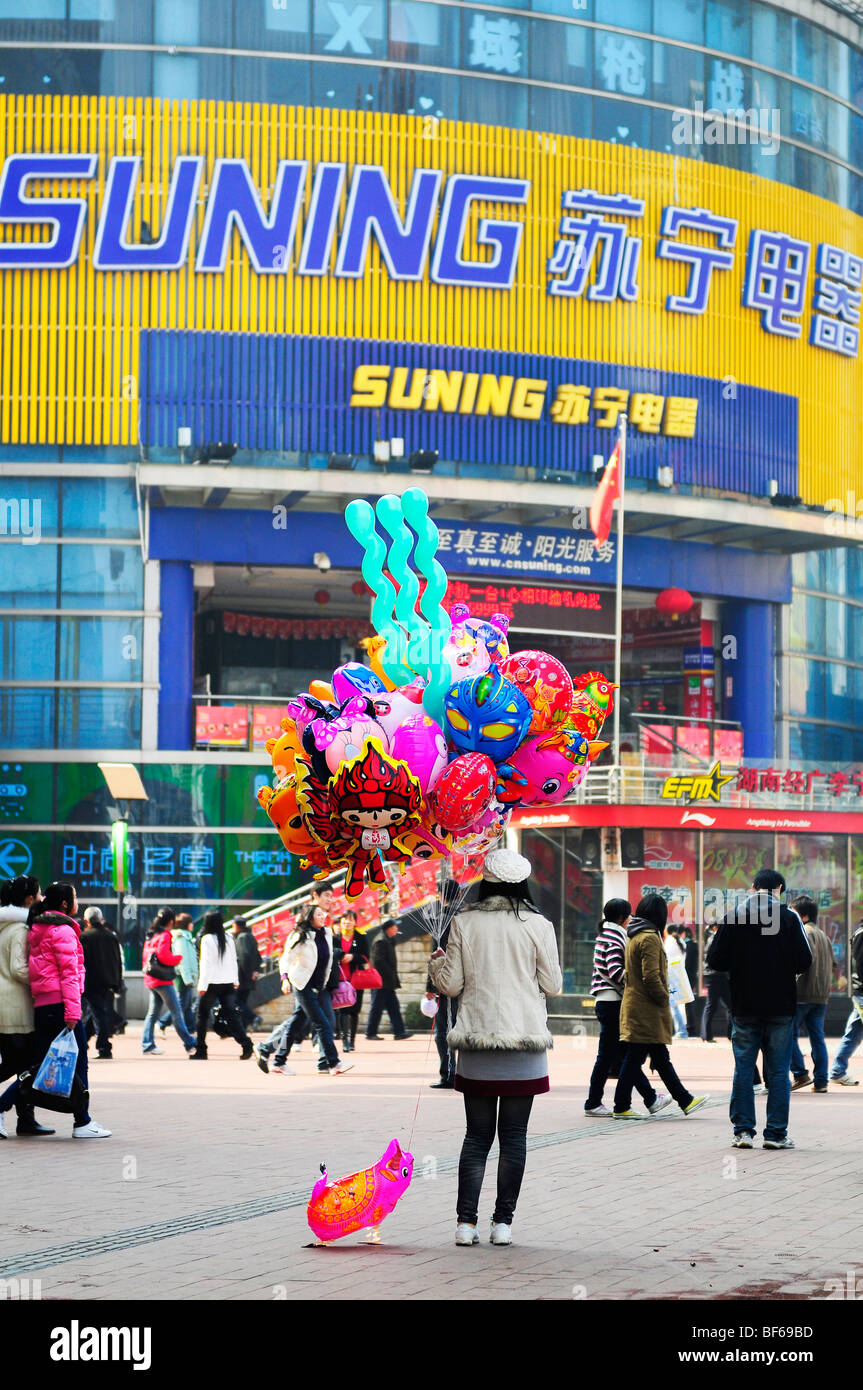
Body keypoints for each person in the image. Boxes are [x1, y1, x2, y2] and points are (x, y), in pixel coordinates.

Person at [429, 849, 562, 1247]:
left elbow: (449, 986)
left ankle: (464, 1224)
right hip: (524, 1041)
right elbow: (553, 985)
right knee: (515, 1137)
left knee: (476, 1137)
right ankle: (502, 1224)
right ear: (523, 882)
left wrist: (436, 965)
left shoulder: (464, 922)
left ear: (485, 881)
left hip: (477, 1040)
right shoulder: (539, 925)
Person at [707, 868, 812, 1150]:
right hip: (780, 1006)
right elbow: (804, 961)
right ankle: (776, 1134)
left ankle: (743, 1132)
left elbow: (715, 960)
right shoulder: (789, 918)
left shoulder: (733, 916)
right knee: (778, 1071)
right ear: (779, 888)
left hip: (743, 1005)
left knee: (743, 1068)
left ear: (753, 887)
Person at [613, 895, 709, 1121]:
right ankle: (621, 1106)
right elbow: (651, 977)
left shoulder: (635, 935)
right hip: (645, 1009)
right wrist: (664, 998)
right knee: (635, 1058)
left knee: (658, 1057)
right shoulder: (649, 938)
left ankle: (684, 1099)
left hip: (638, 1006)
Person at [27, 882, 111, 1138]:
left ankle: (82, 1120)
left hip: (44, 1004)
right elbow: (69, 975)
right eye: (75, 897)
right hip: (61, 1004)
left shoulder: (38, 928)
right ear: (65, 904)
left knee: (39, 1065)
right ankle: (82, 1122)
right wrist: (73, 1013)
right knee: (79, 1062)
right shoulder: (62, 930)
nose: (78, 902)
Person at [585, 897, 657, 1117]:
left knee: (618, 1055)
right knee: (615, 1056)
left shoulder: (609, 935)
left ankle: (650, 1098)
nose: (631, 919)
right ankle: (594, 1102)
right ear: (621, 917)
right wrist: (637, 981)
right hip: (612, 1002)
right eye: (629, 915)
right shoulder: (613, 938)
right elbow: (615, 971)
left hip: (608, 1002)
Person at [0, 875, 54, 1138]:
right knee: (25, 1063)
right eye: (40, 894)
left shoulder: (3, 925)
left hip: (5, 1005)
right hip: (16, 1006)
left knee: (19, 1063)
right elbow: (19, 969)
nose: (43, 898)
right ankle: (25, 1119)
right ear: (30, 899)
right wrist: (46, 975)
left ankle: (27, 1119)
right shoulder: (20, 929)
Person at [273, 904, 353, 1075]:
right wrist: (284, 979)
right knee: (322, 1023)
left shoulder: (327, 933)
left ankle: (278, 1061)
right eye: (318, 914)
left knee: (295, 1025)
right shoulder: (299, 936)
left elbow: (327, 957)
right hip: (302, 984)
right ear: (310, 918)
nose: (323, 916)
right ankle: (334, 1063)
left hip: (319, 985)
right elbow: (286, 960)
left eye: (323, 913)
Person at [191, 912, 254, 1060]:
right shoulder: (229, 938)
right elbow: (234, 960)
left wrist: (202, 984)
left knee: (202, 1016)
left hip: (211, 983)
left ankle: (201, 1050)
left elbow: (205, 963)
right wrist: (236, 981)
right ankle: (246, 1044)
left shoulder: (206, 939)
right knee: (231, 1016)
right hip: (227, 983)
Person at [788, 896, 833, 1093]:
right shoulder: (824, 935)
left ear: (803, 915)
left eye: (794, 911)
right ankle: (821, 1081)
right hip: (821, 995)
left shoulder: (804, 931)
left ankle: (800, 1073)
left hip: (802, 994)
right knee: (818, 1038)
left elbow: (803, 960)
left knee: (787, 1034)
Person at [141, 909, 197, 1056]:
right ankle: (189, 1043)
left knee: (152, 1013)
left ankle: (147, 1044)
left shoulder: (152, 934)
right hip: (162, 980)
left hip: (151, 978)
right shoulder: (165, 934)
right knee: (177, 1011)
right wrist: (177, 958)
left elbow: (148, 955)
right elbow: (164, 956)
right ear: (171, 922)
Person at [427, 882, 461, 1089]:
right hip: (470, 980)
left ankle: (449, 1074)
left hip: (447, 980)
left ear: (440, 895)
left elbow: (435, 957)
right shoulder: (469, 916)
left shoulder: (442, 919)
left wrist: (431, 987)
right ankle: (467, 1073)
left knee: (443, 1030)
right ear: (458, 893)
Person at [81, 907, 123, 1060]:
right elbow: (117, 960)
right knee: (96, 1012)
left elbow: (82, 962)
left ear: (86, 920)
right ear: (101, 918)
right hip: (107, 981)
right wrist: (117, 982)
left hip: (91, 981)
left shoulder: (85, 937)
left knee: (98, 1013)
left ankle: (104, 1047)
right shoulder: (110, 936)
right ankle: (83, 1042)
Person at [366, 919, 414, 1041]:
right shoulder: (381, 941)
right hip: (381, 982)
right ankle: (370, 1032)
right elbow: (378, 961)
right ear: (388, 928)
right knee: (376, 1007)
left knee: (393, 1007)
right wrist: (389, 974)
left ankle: (399, 1032)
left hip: (387, 982)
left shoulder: (387, 940)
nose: (397, 929)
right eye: (394, 927)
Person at [829, 917, 863, 1086]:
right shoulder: (862, 933)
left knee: (853, 1034)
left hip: (861, 993)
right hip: (862, 993)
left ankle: (837, 1070)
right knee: (853, 1034)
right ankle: (837, 1070)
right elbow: (861, 965)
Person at [158, 912, 198, 1036]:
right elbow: (182, 960)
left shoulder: (186, 937)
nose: (193, 925)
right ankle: (162, 1022)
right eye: (191, 922)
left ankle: (191, 1028)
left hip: (186, 976)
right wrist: (187, 978)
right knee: (180, 1003)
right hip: (182, 976)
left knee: (186, 1004)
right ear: (187, 924)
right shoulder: (181, 938)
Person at [336, 910, 369, 1053]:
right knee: (343, 1010)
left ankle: (352, 1041)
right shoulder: (335, 938)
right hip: (340, 979)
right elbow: (330, 954)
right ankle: (345, 1042)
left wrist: (353, 957)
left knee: (354, 1011)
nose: (347, 922)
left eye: (350, 920)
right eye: (344, 919)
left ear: (355, 922)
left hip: (356, 979)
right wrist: (340, 956)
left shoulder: (361, 938)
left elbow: (366, 957)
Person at [701, 923, 732, 1042]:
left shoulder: (713, 937)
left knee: (718, 1005)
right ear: (715, 927)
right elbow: (714, 958)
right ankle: (707, 1035)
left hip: (716, 975)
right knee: (714, 1005)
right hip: (715, 975)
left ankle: (707, 1035)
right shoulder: (714, 938)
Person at [232, 917, 263, 1031]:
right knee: (242, 1001)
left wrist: (249, 973)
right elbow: (258, 956)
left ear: (236, 925)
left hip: (243, 975)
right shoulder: (250, 936)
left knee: (236, 1001)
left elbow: (244, 956)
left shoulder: (242, 938)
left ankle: (254, 1018)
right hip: (249, 975)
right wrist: (255, 971)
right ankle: (243, 1027)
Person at [665, 923, 693, 1039]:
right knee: (677, 1004)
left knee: (673, 1004)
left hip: (670, 975)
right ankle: (681, 1030)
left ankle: (681, 1030)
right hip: (679, 975)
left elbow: (666, 958)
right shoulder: (681, 942)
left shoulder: (669, 941)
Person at [681, 926, 699, 1034]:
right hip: (692, 976)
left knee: (688, 1003)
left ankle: (690, 1027)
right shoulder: (694, 945)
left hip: (687, 977)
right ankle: (691, 1027)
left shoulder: (687, 946)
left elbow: (687, 964)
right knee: (689, 1002)